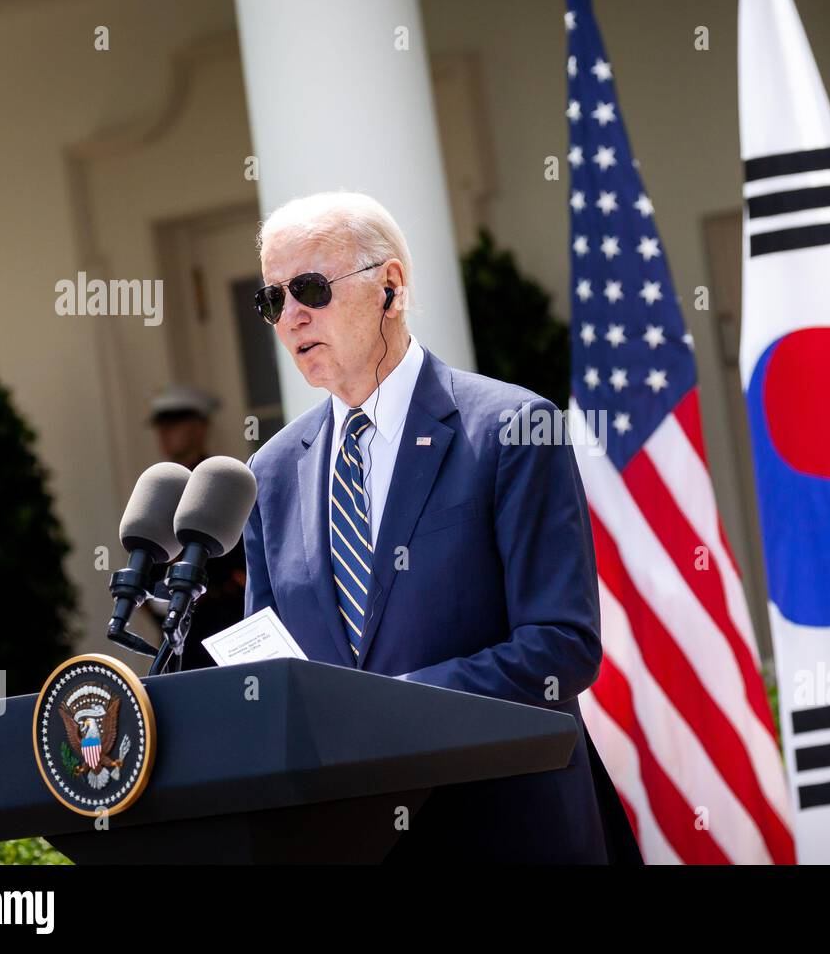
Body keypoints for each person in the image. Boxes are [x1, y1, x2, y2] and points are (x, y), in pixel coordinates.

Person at [242, 191, 640, 863]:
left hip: (505, 831)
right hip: (355, 845)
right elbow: (272, 669)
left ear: (390, 287)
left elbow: (561, 646)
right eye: (273, 299)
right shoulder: (271, 473)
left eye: (310, 287)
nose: (292, 316)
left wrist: (390, 708)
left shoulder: (513, 429)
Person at [146, 385, 247, 669]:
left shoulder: (222, 481)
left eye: (175, 424)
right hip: (178, 640)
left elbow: (239, 562)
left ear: (200, 427)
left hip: (224, 631)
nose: (166, 433)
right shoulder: (160, 487)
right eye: (161, 426)